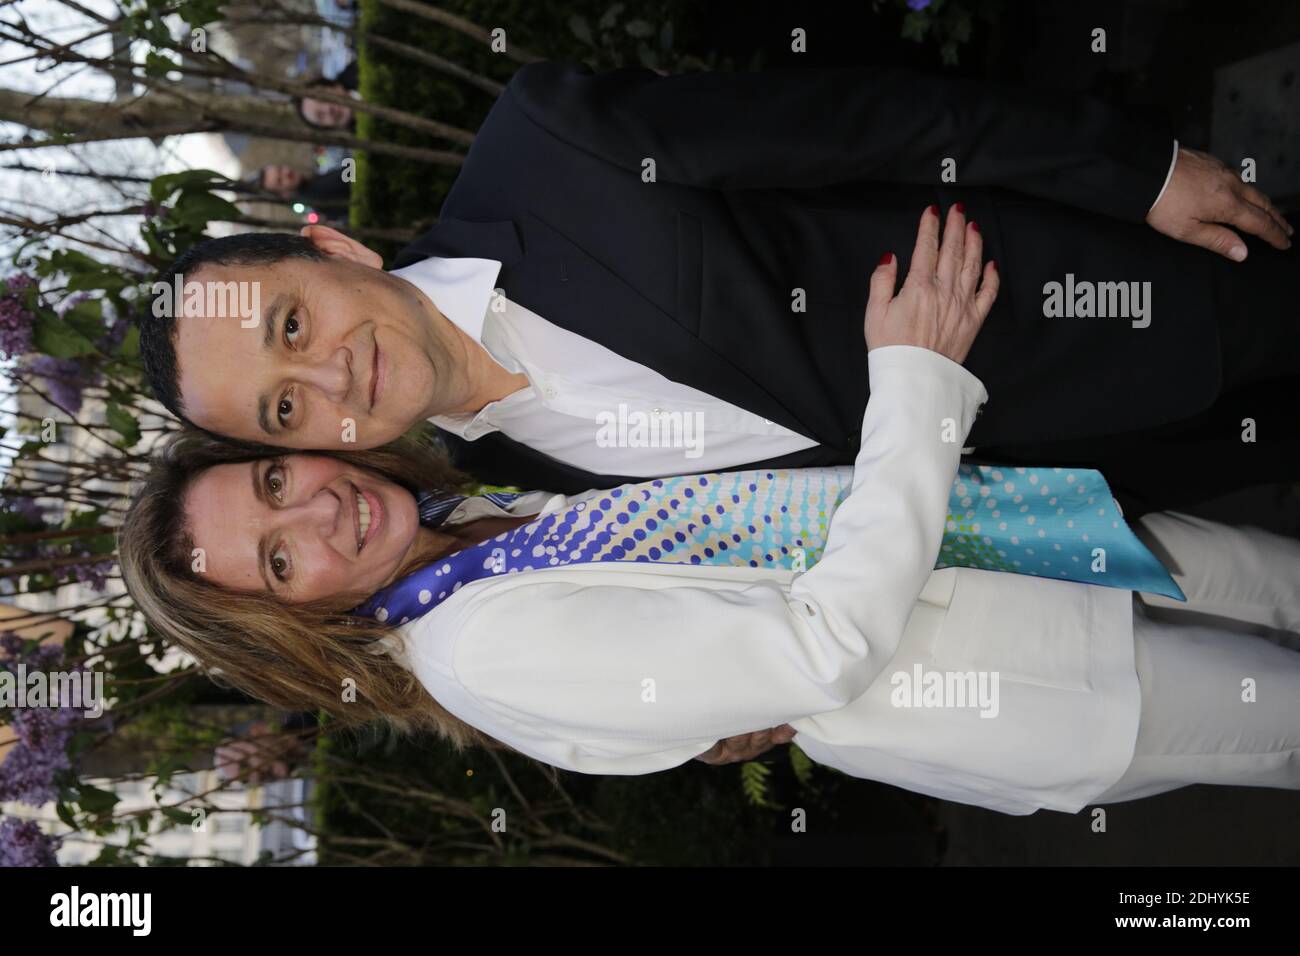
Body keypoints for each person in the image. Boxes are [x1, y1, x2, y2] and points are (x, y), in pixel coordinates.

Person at [121, 211, 1300, 815]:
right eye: (280, 561)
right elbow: (812, 652)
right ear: (294, 623)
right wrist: (915, 384)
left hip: (1029, 538)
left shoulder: (482, 513)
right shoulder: (478, 645)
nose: (317, 511)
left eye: (275, 477)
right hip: (1038, 678)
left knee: (1280, 574)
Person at [138, 62, 1300, 518]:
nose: (326, 373)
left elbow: (881, 116)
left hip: (1117, 295)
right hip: (1115, 494)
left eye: (292, 324)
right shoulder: (521, 499)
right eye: (284, 407)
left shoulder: (550, 150)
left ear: (332, 251)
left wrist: (1131, 171)